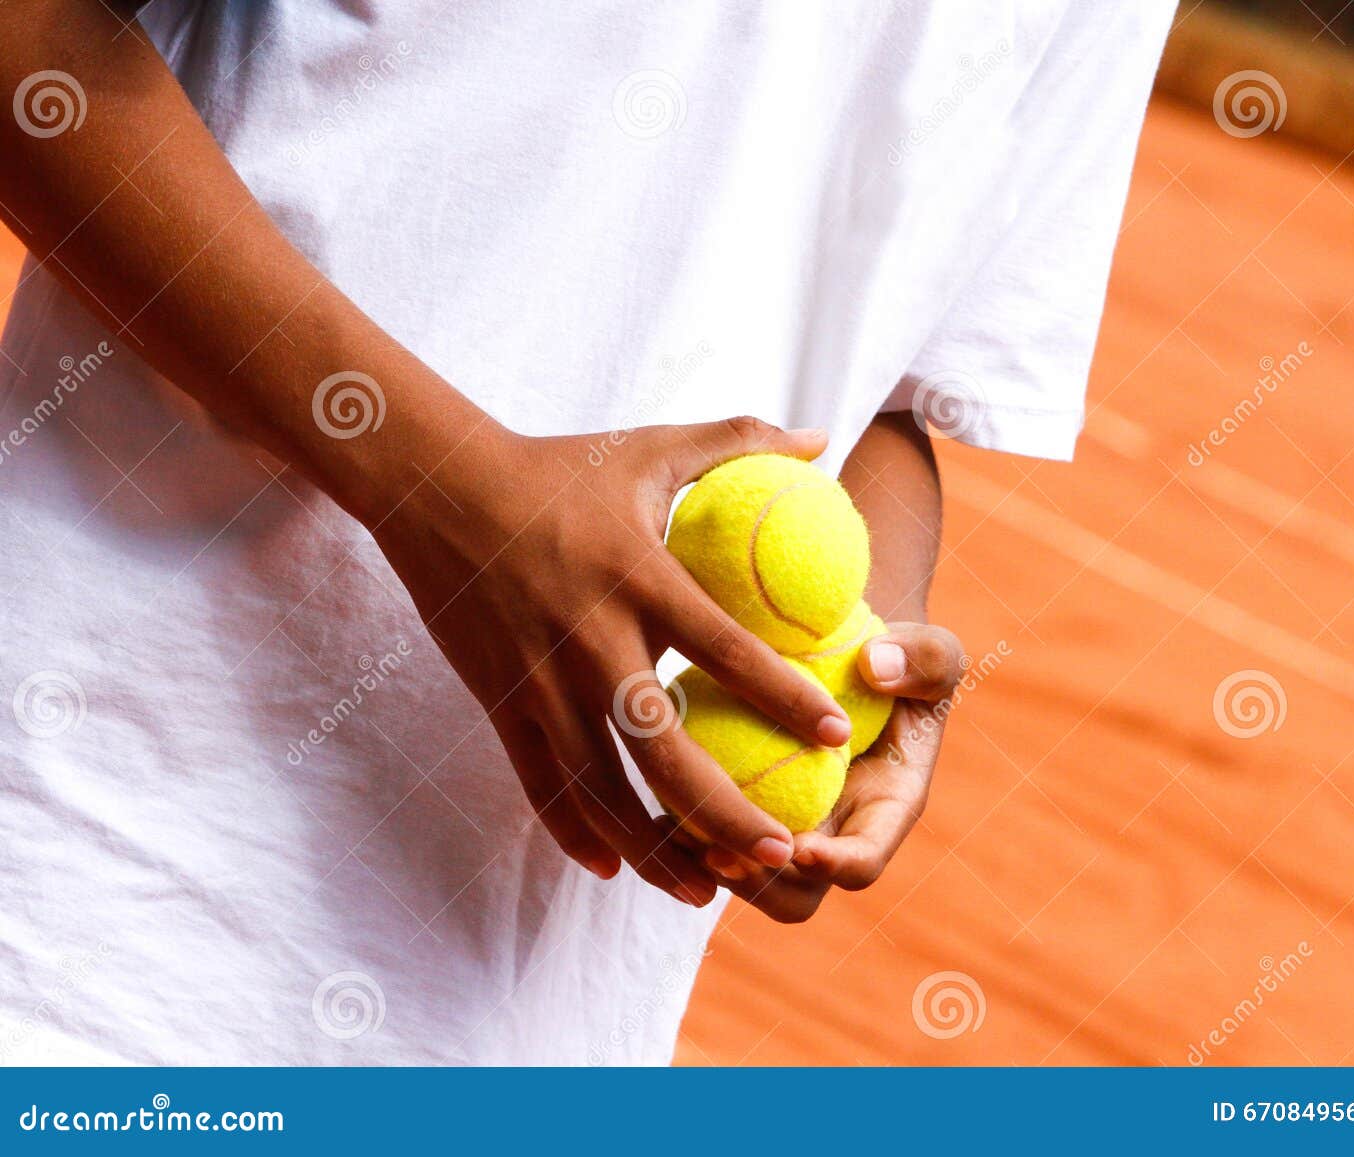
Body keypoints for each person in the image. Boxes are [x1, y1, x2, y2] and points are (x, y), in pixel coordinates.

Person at [0, 1, 1177, 1064]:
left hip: (532, 1019)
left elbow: (889, 390)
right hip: (99, 880)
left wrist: (855, 657)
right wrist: (441, 490)